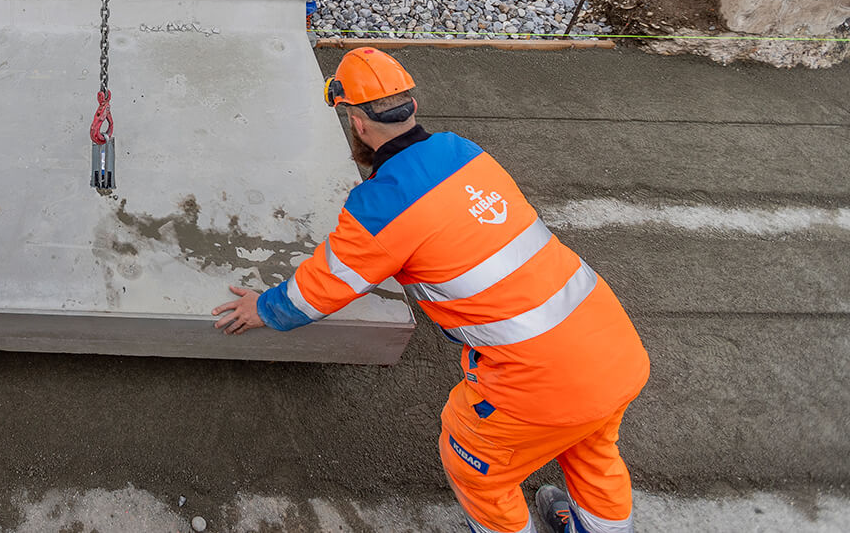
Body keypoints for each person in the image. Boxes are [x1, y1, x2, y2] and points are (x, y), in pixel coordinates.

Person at [213, 48, 649, 533]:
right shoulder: (464, 152)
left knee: (476, 467)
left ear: (357, 124)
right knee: (590, 450)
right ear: (411, 107)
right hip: (613, 348)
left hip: (540, 380)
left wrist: (263, 308)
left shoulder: (382, 205)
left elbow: (319, 291)